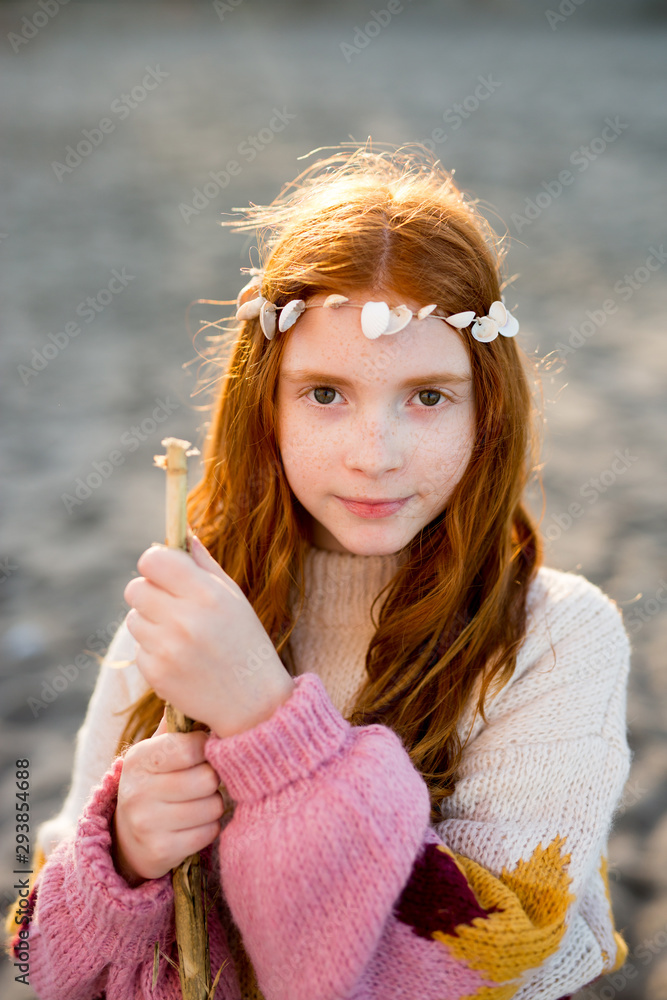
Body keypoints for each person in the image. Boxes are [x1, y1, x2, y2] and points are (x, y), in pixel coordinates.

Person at [5, 145, 632, 1000]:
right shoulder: (190, 618)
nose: (374, 455)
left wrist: (266, 724)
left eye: (427, 395)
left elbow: (493, 962)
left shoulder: (554, 639)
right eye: (325, 394)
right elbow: (36, 955)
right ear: (263, 404)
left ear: (487, 411)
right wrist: (117, 858)